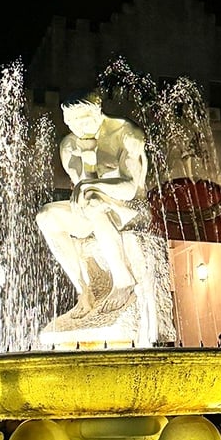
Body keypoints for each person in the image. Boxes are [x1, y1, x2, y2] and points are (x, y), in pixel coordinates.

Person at [36, 91, 148, 318]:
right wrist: (87, 153)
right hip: (93, 209)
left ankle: (123, 280)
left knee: (94, 202)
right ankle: (83, 291)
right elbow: (82, 187)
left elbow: (129, 188)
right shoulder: (69, 145)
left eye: (83, 120)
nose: (78, 127)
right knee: (46, 216)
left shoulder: (126, 133)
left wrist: (92, 186)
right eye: (72, 122)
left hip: (129, 210)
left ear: (97, 113)